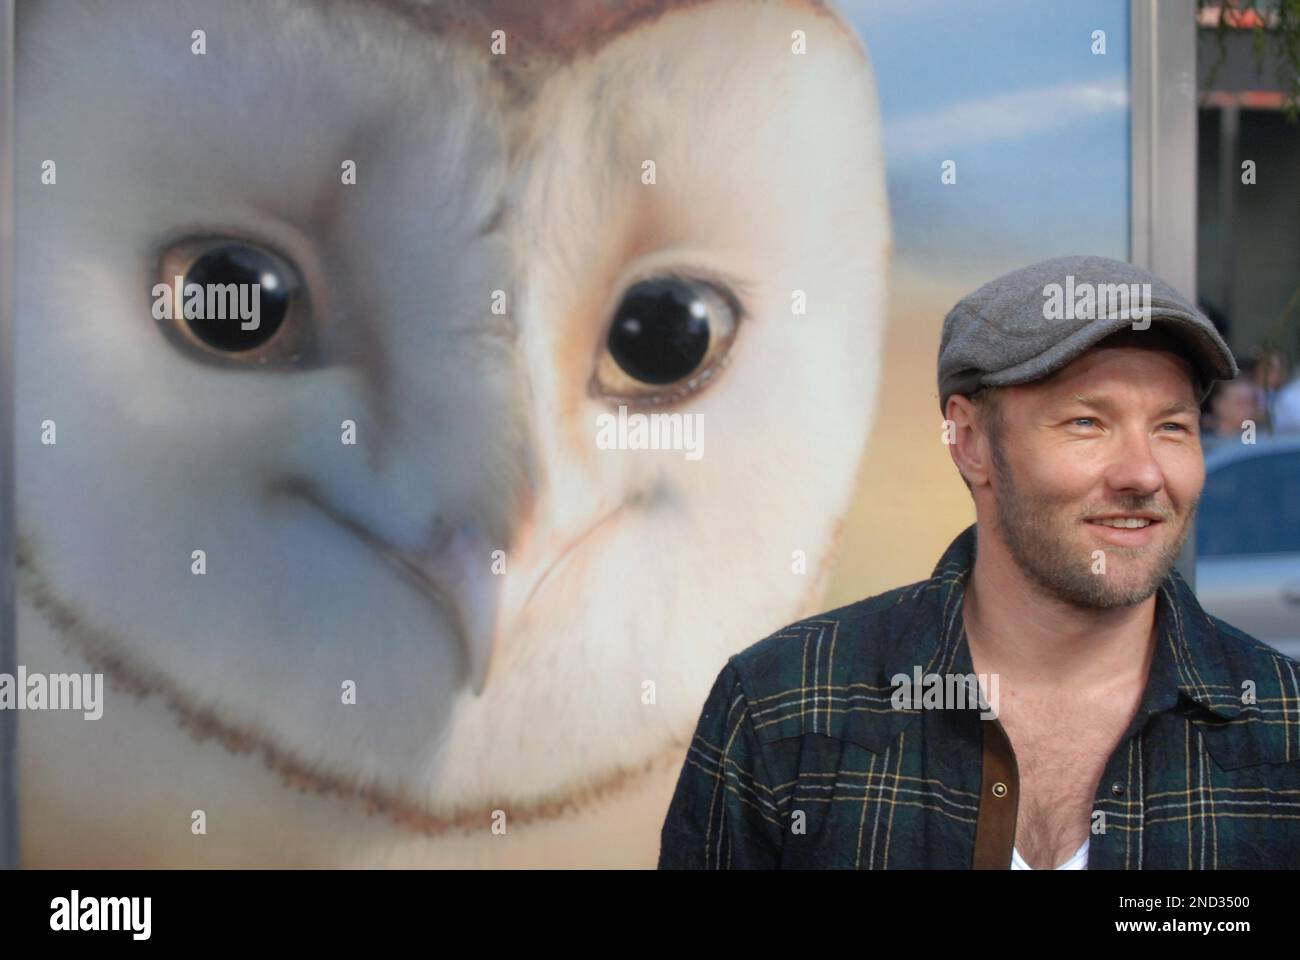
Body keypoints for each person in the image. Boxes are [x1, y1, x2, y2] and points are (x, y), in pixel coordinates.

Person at [658, 255, 1300, 870]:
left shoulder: (1284, 727)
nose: (1143, 473)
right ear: (970, 443)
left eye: (1172, 427)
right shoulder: (786, 711)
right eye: (1086, 422)